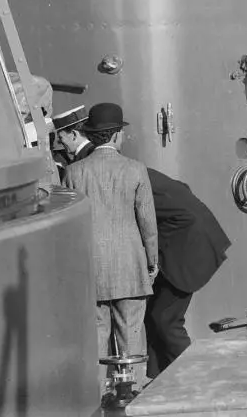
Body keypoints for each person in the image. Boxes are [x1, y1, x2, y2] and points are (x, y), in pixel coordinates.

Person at [62, 103, 158, 374]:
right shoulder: (136, 169)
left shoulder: (73, 172)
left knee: (95, 343)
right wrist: (152, 262)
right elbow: (148, 223)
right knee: (132, 341)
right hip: (130, 268)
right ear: (116, 135)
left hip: (91, 271)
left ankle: (97, 398)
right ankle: (133, 394)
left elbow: (70, 227)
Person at [144, 169, 231, 379]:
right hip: (190, 243)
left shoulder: (132, 178)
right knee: (156, 315)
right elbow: (182, 188)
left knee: (165, 319)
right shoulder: (142, 173)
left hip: (188, 250)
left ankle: (193, 378)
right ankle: (164, 378)